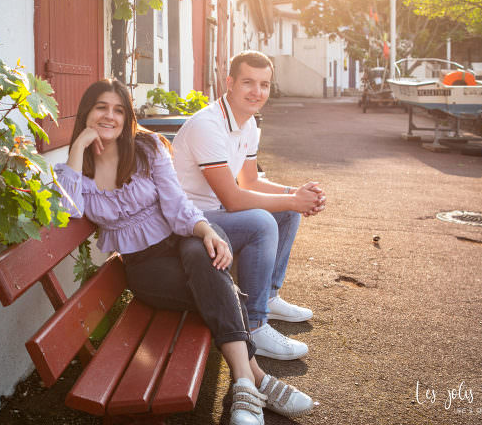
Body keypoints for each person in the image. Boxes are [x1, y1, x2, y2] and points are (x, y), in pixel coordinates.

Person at [54, 79, 316, 424]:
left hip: (184, 237)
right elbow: (64, 212)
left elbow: (178, 205)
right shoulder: (77, 170)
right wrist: (79, 148)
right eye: (101, 107)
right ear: (86, 112)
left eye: (119, 109)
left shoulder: (146, 148)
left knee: (204, 256)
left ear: (127, 116)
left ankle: (243, 384)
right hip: (147, 267)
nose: (110, 116)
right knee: (217, 284)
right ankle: (255, 379)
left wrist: (207, 229)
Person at [172, 50, 326, 361]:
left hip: (216, 212)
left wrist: (294, 194)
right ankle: (254, 325)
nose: (257, 92)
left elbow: (250, 182)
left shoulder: (249, 124)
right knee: (261, 221)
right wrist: (294, 199)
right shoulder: (208, 125)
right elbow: (233, 198)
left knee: (284, 210)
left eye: (264, 84)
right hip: (187, 219)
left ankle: (268, 297)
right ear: (229, 83)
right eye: (248, 83)